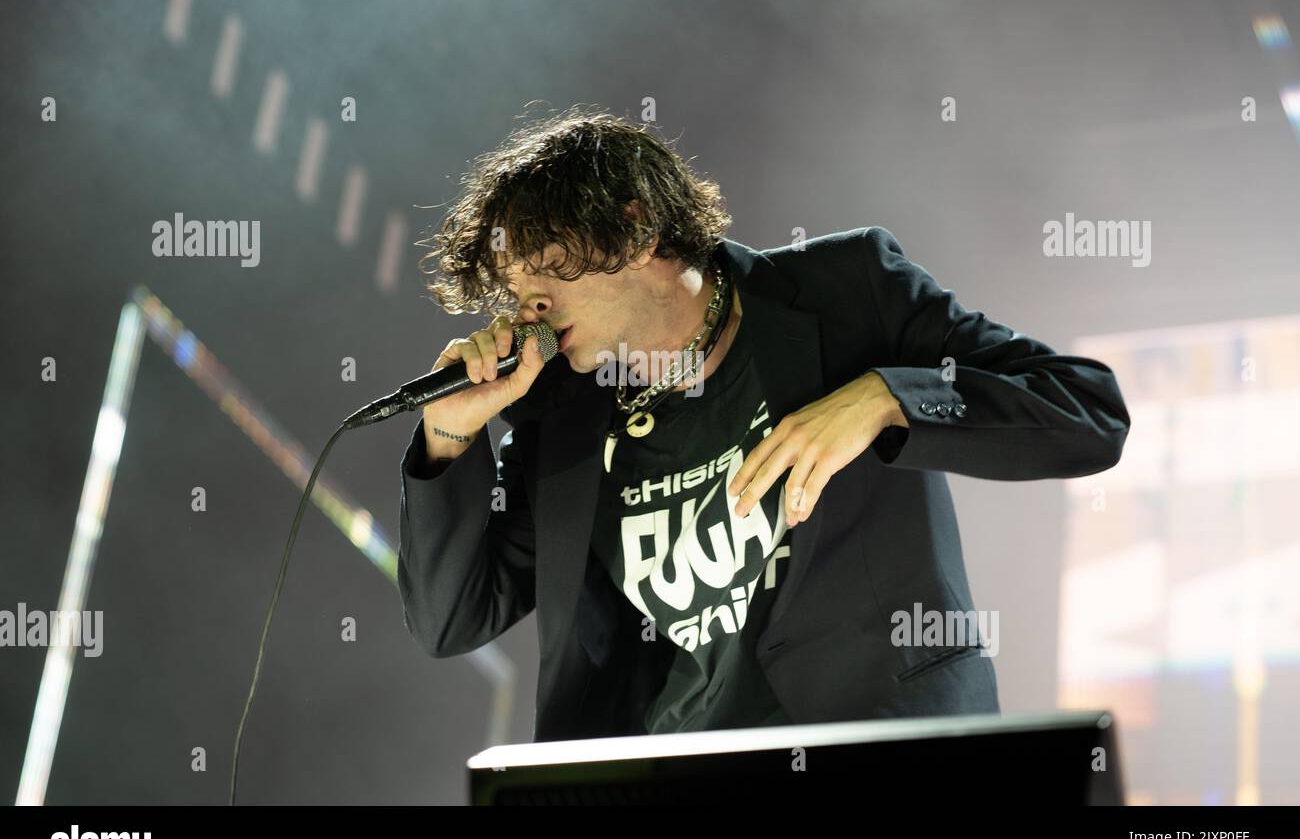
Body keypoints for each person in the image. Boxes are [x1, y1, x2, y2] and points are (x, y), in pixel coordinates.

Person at [397, 108, 1131, 742]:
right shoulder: (561, 410)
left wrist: (888, 397)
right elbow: (451, 621)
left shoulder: (849, 292)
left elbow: (1087, 410)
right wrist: (450, 437)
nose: (528, 310)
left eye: (543, 275)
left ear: (637, 227)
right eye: (516, 292)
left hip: (875, 750)